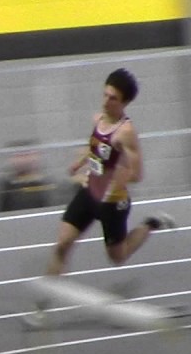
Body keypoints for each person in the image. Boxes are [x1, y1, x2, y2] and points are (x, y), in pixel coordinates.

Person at [44, 68, 175, 281]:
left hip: (113, 202)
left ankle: (151, 223)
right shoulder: (99, 119)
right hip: (90, 192)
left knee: (118, 256)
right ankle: (43, 303)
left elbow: (137, 174)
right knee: (62, 244)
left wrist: (110, 181)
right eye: (105, 95)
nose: (106, 102)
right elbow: (95, 147)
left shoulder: (126, 133)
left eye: (112, 98)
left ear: (124, 103)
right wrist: (79, 163)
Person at [0, 140, 57, 212]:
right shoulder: (3, 188)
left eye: (28, 155)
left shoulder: (49, 184)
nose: (24, 159)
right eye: (18, 156)